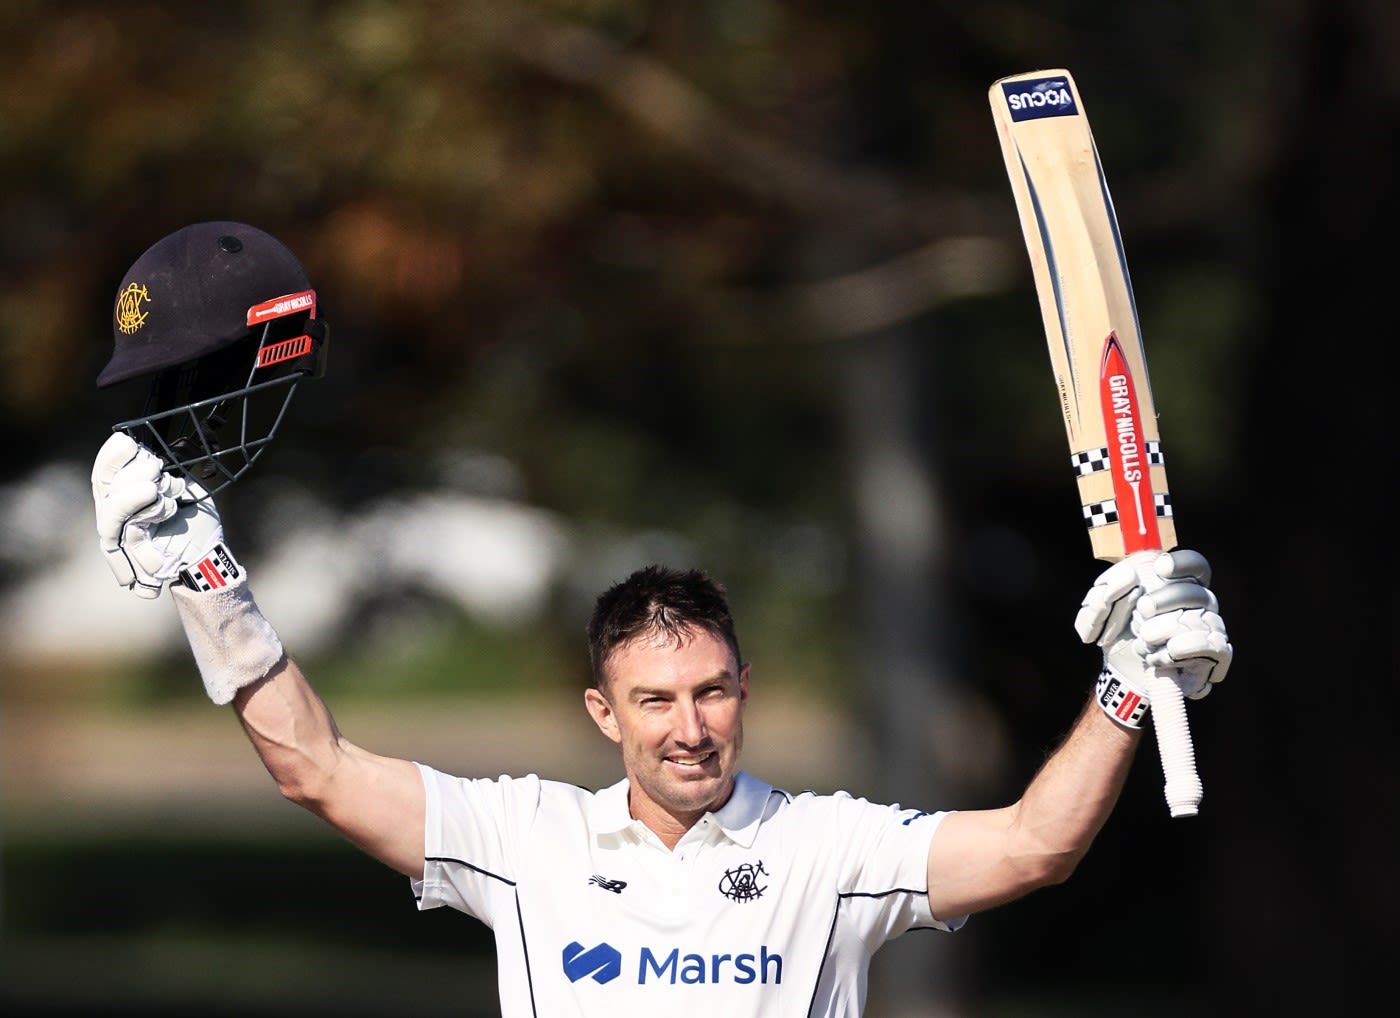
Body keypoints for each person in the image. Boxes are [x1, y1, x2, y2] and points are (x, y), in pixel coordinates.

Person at [90, 223, 1233, 1017]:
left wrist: (1126, 684)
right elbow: (319, 771)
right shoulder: (525, 840)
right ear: (603, 711)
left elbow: (1035, 845)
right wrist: (208, 583)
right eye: (654, 700)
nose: (688, 726)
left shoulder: (826, 850)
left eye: (710, 691)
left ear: (744, 689)